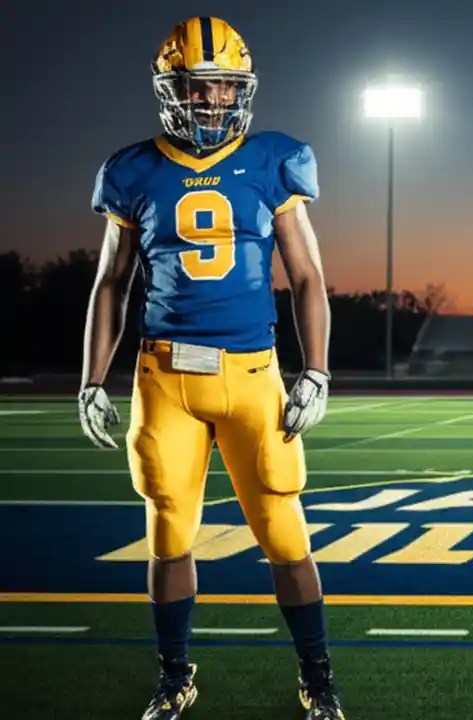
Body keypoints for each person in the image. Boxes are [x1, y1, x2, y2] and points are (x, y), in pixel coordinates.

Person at [76, 16, 345, 720]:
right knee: (168, 529)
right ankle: (174, 676)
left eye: (225, 86)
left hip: (254, 376)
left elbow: (308, 276)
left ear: (243, 90)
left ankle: (317, 677)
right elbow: (112, 282)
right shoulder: (132, 170)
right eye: (199, 87)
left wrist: (314, 369)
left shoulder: (273, 161)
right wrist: (90, 378)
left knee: (286, 532)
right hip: (163, 377)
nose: (213, 101)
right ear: (172, 90)